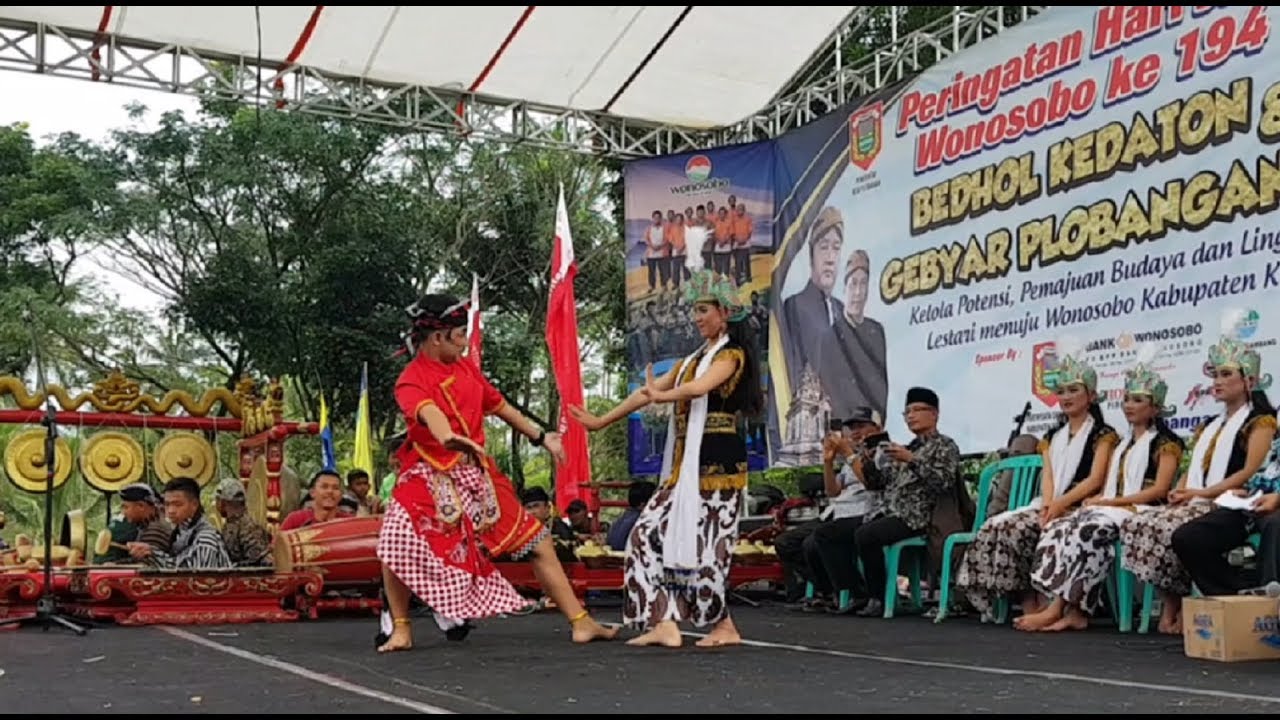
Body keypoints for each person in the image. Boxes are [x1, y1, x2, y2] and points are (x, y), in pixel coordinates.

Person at [374, 293, 617, 653]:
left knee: (538, 542)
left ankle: (581, 622)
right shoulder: (412, 380)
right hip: (428, 476)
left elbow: (498, 404)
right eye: (459, 332)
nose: (464, 339)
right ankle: (402, 628)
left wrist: (541, 436)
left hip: (476, 474)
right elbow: (429, 413)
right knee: (394, 543)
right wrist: (449, 438)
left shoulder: (466, 367)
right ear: (437, 336)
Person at [570, 266, 763, 649]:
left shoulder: (732, 356)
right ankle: (662, 621)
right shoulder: (695, 357)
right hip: (681, 466)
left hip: (717, 465)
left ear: (724, 312)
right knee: (646, 535)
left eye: (703, 310)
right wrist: (600, 421)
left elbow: (698, 388)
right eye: (694, 311)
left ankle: (723, 625)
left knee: (707, 548)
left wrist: (665, 396)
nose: (696, 318)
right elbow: (649, 391)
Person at [1018, 350, 1184, 632]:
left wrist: (1112, 501)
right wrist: (1104, 502)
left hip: (1142, 509)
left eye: (1139, 400)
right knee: (1062, 527)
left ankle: (1065, 608)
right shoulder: (1122, 444)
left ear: (1155, 407)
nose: (1130, 406)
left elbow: (1159, 489)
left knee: (1086, 530)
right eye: (1128, 399)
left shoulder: (1167, 442)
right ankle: (1064, 607)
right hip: (1112, 507)